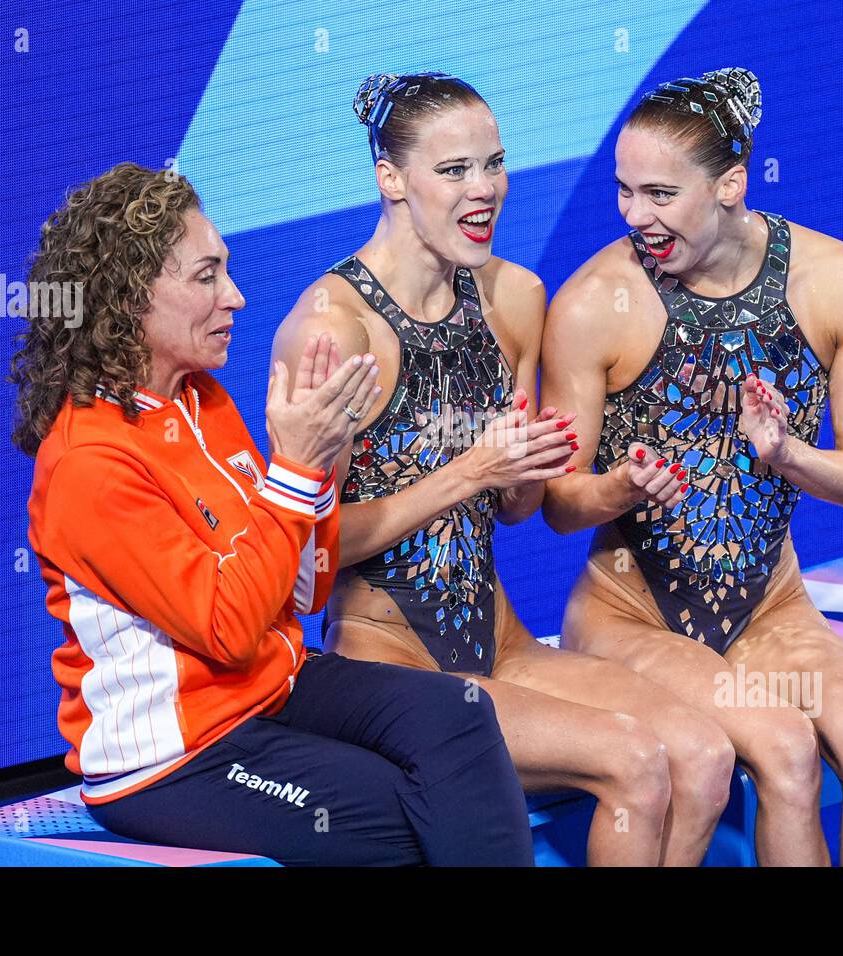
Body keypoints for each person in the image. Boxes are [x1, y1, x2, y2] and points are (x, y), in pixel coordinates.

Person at [11, 161, 534, 866]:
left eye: (225, 271)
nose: (236, 297)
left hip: (276, 686)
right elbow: (227, 629)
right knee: (400, 809)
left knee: (460, 717)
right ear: (126, 297)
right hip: (178, 754)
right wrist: (292, 467)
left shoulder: (204, 402)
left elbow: (302, 588)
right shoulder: (88, 464)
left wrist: (318, 464)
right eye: (205, 277)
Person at [273, 73, 735, 866]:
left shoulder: (513, 299)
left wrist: (534, 468)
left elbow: (518, 508)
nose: (484, 189)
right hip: (393, 669)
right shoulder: (334, 332)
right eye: (453, 171)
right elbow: (300, 560)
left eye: (494, 164)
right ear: (390, 178)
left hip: (502, 641)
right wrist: (470, 471)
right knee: (639, 762)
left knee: (704, 752)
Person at [541, 69, 843, 865]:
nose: (637, 216)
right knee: (784, 749)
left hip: (770, 612)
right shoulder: (591, 306)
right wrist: (618, 487)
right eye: (624, 191)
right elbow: (559, 505)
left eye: (661, 194)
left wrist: (785, 454)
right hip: (629, 619)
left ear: (732, 185)